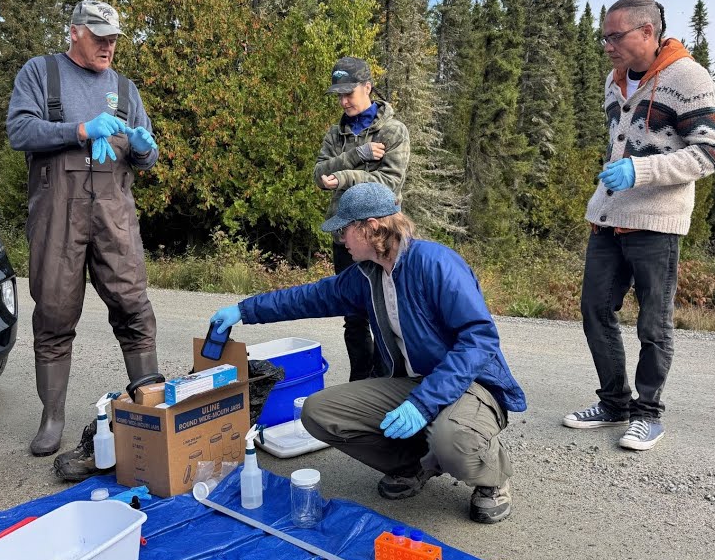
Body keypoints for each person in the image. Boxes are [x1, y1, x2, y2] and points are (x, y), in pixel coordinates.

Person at [209, 182, 525, 524]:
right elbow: (309, 297)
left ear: (372, 227)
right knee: (318, 412)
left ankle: (493, 477)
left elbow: (480, 339)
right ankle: (416, 464)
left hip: (471, 385)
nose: (341, 240)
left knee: (453, 438)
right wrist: (245, 310)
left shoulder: (435, 263)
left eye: (345, 230)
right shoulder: (368, 275)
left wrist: (423, 403)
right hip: (417, 383)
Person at [562, 0, 715, 451]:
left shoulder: (688, 77)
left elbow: (712, 152)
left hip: (657, 222)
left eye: (615, 36)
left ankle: (649, 414)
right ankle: (614, 403)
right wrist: (615, 181)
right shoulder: (613, 82)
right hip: (608, 217)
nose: (607, 45)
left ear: (648, 32)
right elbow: (620, 144)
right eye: (604, 37)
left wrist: (642, 170)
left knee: (653, 324)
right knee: (595, 310)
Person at [6, 0, 163, 459]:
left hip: (114, 213)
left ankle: (149, 410)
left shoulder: (126, 88)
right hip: (58, 213)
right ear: (74, 32)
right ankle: (52, 419)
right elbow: (19, 131)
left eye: (114, 38)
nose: (109, 46)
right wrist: (78, 129)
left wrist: (143, 148)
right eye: (100, 37)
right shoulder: (41, 73)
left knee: (134, 308)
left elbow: (145, 157)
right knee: (54, 315)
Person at [312, 56, 410, 382]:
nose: (343, 101)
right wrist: (357, 154)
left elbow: (388, 184)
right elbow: (318, 174)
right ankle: (359, 384)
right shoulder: (335, 133)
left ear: (367, 87)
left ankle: (387, 383)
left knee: (384, 311)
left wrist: (344, 177)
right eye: (338, 95)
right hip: (346, 236)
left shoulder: (393, 131)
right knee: (353, 316)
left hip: (382, 235)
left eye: (349, 93)